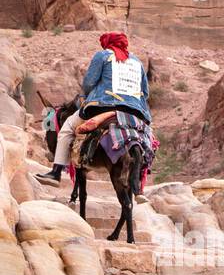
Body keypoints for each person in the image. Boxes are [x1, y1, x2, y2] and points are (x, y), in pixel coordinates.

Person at [37, 32, 151, 187]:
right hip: (134, 112)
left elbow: (89, 83)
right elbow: (145, 92)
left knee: (67, 127)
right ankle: (141, 179)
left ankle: (56, 173)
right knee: (147, 136)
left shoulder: (102, 56)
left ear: (107, 43)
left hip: (103, 106)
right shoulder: (137, 61)